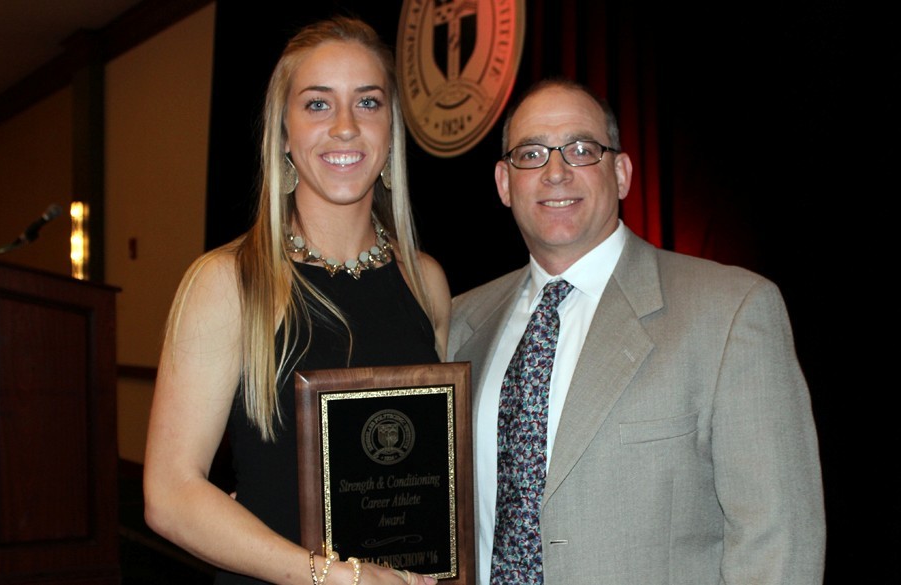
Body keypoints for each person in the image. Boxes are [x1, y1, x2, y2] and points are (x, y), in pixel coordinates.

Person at [448, 77, 825, 585]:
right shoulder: (456, 325)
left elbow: (778, 542)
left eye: (581, 150)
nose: (555, 172)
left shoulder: (732, 313)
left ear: (621, 173)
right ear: (503, 182)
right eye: (531, 154)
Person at [144, 16, 448, 585]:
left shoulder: (425, 281)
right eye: (316, 104)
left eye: (368, 102)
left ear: (391, 127)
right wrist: (337, 577)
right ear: (283, 132)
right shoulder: (228, 283)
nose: (345, 127)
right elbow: (169, 494)